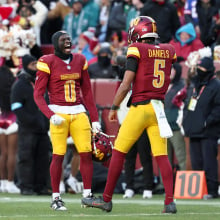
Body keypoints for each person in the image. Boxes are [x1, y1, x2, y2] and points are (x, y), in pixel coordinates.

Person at [82, 16, 177, 213]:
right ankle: (169, 202)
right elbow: (151, 64)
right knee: (161, 156)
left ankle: (106, 199)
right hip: (158, 108)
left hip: (140, 108)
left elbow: (126, 84)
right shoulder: (168, 50)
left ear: (137, 31)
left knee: (119, 152)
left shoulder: (137, 49)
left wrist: (114, 107)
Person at [33, 30, 101, 211]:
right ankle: (56, 197)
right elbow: (38, 95)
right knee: (59, 155)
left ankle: (87, 195)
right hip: (58, 113)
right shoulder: (47, 62)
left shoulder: (80, 60)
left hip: (79, 112)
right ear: (56, 44)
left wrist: (94, 118)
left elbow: (87, 91)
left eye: (69, 39)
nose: (68, 42)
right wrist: (50, 115)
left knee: (86, 153)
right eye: (64, 40)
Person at [10, 54, 51, 195]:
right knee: (26, 158)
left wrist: (45, 121)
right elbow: (16, 107)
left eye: (37, 64)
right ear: (26, 66)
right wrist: (31, 120)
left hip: (42, 128)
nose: (36, 67)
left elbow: (47, 103)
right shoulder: (19, 85)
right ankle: (26, 186)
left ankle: (40, 186)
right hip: (27, 129)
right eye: (33, 65)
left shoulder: (41, 83)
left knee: (43, 158)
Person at [181, 56, 220, 199]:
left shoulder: (216, 86)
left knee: (209, 161)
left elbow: (218, 108)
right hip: (194, 130)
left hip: (209, 131)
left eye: (202, 68)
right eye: (198, 68)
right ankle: (199, 189)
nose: (199, 71)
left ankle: (212, 190)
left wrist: (206, 122)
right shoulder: (196, 85)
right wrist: (186, 121)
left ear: (209, 70)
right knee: (196, 161)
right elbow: (188, 104)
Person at [0, 58, 20, 194]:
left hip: (1, 116)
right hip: (12, 118)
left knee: (3, 153)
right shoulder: (15, 80)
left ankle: (2, 183)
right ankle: (10, 182)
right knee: (12, 153)